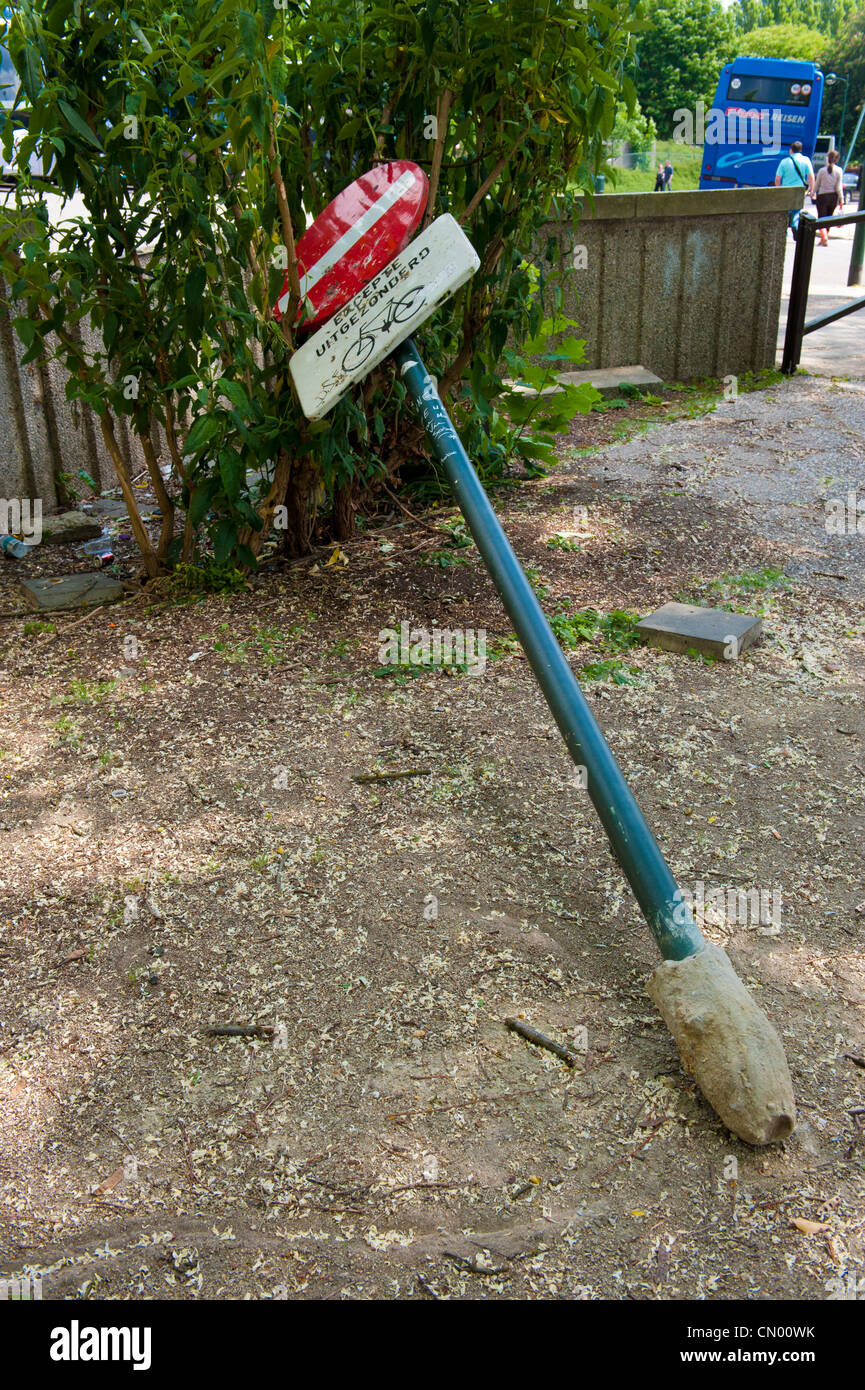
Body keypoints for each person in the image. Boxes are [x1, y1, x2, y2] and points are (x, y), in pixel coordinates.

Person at [774, 140, 815, 241]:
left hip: (786, 190)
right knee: (797, 211)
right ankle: (795, 226)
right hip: (799, 191)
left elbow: (777, 179)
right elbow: (811, 177)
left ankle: (785, 233)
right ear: (800, 150)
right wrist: (811, 189)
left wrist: (779, 188)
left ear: (791, 150)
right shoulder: (806, 160)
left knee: (785, 211)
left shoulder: (784, 162)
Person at [814, 149, 844, 246]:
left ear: (828, 158)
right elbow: (839, 187)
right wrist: (841, 199)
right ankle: (823, 238)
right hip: (833, 197)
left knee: (821, 218)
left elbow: (817, 184)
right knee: (829, 218)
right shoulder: (839, 170)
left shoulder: (822, 171)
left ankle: (825, 237)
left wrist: (812, 193)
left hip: (822, 196)